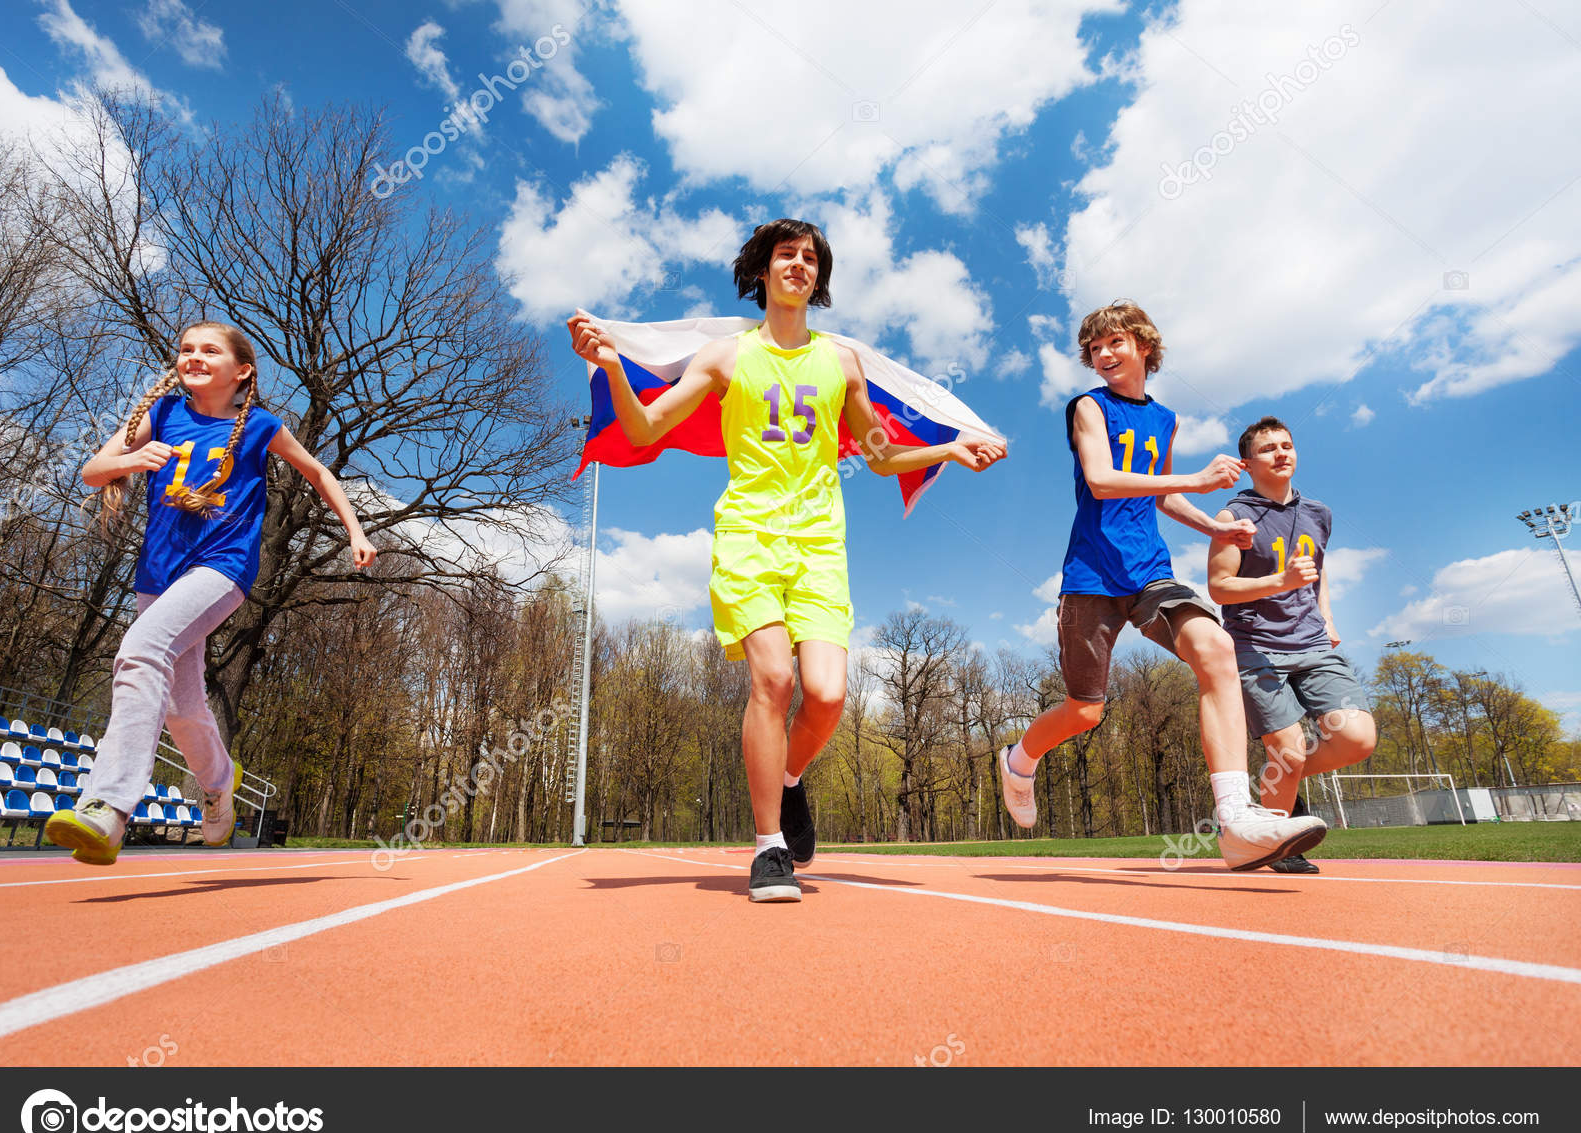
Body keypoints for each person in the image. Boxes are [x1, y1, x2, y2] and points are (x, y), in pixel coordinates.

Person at [569, 219, 1005, 902]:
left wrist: (947, 449)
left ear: (818, 279)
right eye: (786, 255)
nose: (799, 264)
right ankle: (769, 847)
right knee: (773, 679)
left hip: (820, 548)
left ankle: (792, 777)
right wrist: (616, 368)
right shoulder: (724, 357)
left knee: (828, 696)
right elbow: (645, 427)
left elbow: (879, 451)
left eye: (810, 258)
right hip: (748, 537)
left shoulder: (842, 362)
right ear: (762, 272)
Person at [995, 301, 1326, 871]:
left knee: (1216, 651)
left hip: (1152, 572)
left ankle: (1236, 818)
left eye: (1114, 343)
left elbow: (1161, 495)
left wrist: (1214, 524)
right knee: (1084, 711)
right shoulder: (1087, 408)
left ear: (1144, 346)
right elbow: (1101, 480)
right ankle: (1019, 760)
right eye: (1094, 348)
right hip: (1092, 577)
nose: (1102, 354)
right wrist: (1199, 482)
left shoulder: (1165, 418)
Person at [46, 321, 376, 864]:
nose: (192, 356)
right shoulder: (163, 414)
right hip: (158, 572)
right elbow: (93, 470)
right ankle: (220, 780)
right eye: (185, 349)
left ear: (241, 370)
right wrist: (132, 460)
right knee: (181, 703)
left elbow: (319, 473)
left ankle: (107, 807)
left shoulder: (261, 427)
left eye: (209, 350)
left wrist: (356, 531)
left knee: (138, 652)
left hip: (222, 568)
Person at [1206, 417, 1376, 873]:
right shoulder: (1232, 516)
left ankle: (1277, 780)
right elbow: (1219, 588)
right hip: (1256, 646)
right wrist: (1277, 582)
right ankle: (1277, 840)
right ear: (1247, 463)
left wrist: (1328, 614)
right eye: (1268, 449)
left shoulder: (1319, 513)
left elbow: (1316, 571)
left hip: (1313, 642)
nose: (1281, 453)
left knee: (1358, 738)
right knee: (1288, 748)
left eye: (1287, 445)